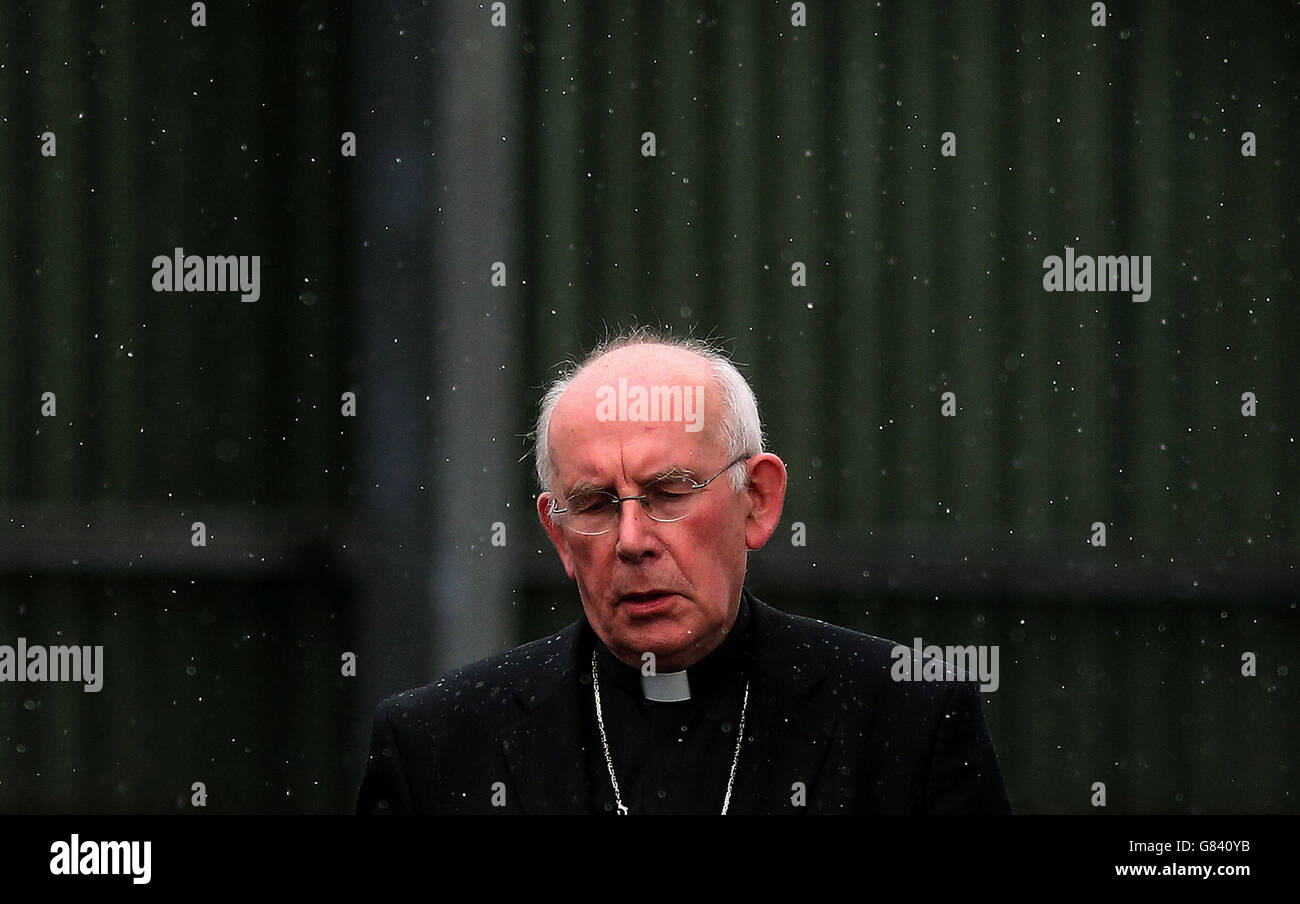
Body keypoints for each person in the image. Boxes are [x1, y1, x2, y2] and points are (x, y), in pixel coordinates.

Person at [356, 329, 1012, 814]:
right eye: (594, 505)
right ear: (558, 533)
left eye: (669, 493)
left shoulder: (905, 721)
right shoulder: (438, 748)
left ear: (757, 499)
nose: (633, 541)